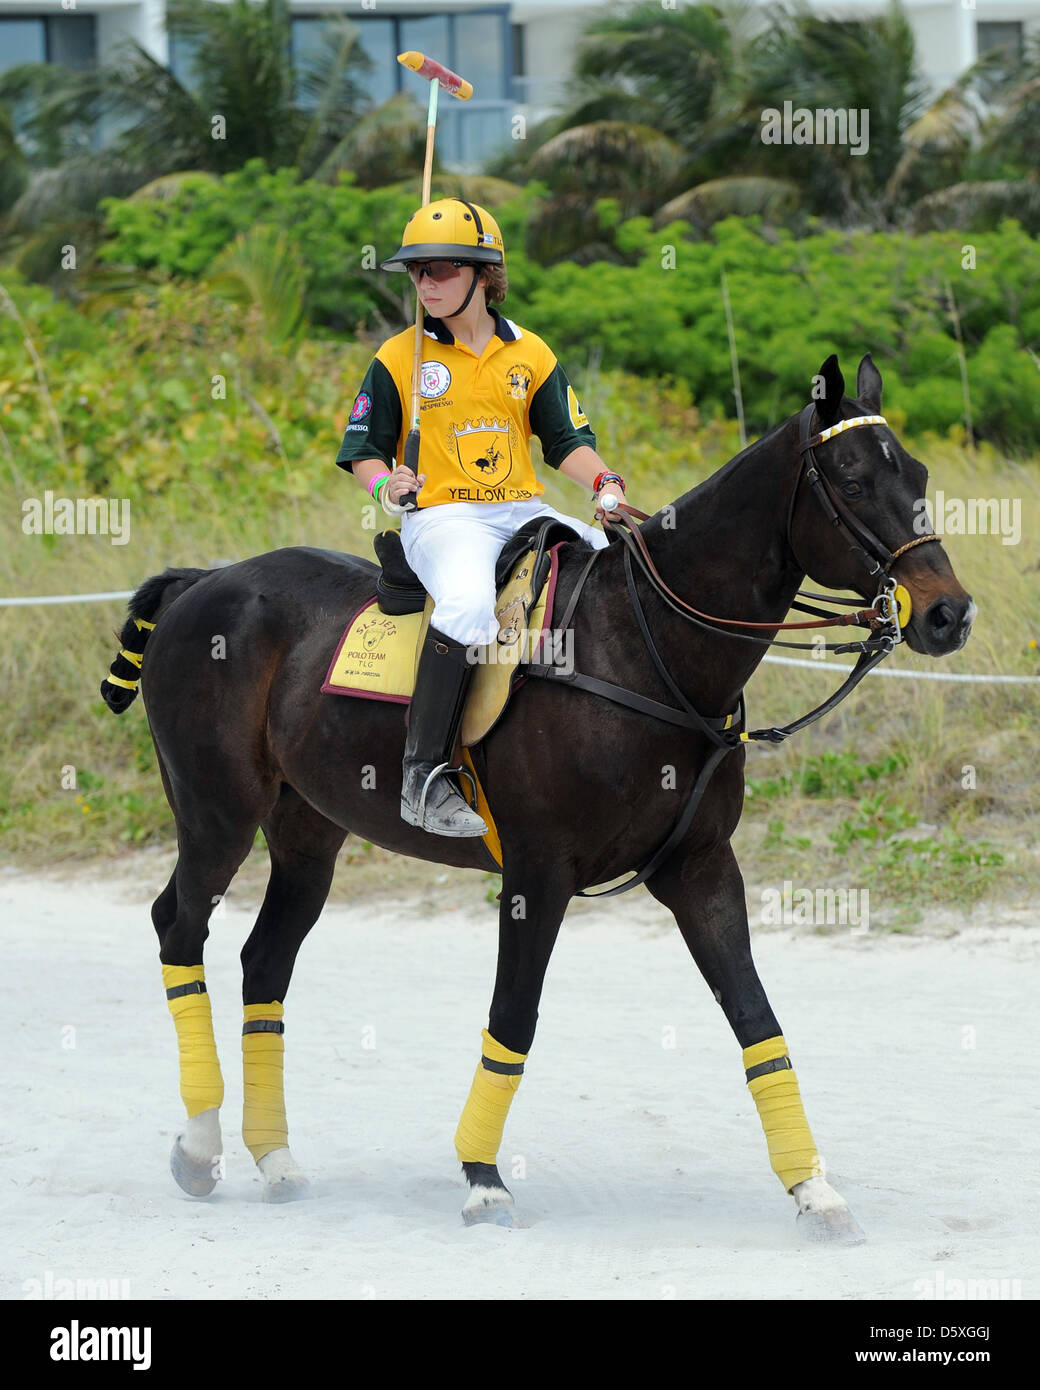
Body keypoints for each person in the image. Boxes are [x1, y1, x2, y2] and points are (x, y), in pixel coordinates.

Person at [336, 197, 627, 837]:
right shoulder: (400, 356)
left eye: (441, 268)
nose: (425, 282)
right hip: (444, 518)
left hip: (521, 509)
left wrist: (605, 482)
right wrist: (387, 485)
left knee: (621, 568)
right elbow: (362, 450)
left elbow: (565, 442)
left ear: (483, 274)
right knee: (467, 607)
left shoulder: (530, 353)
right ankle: (422, 775)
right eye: (417, 271)